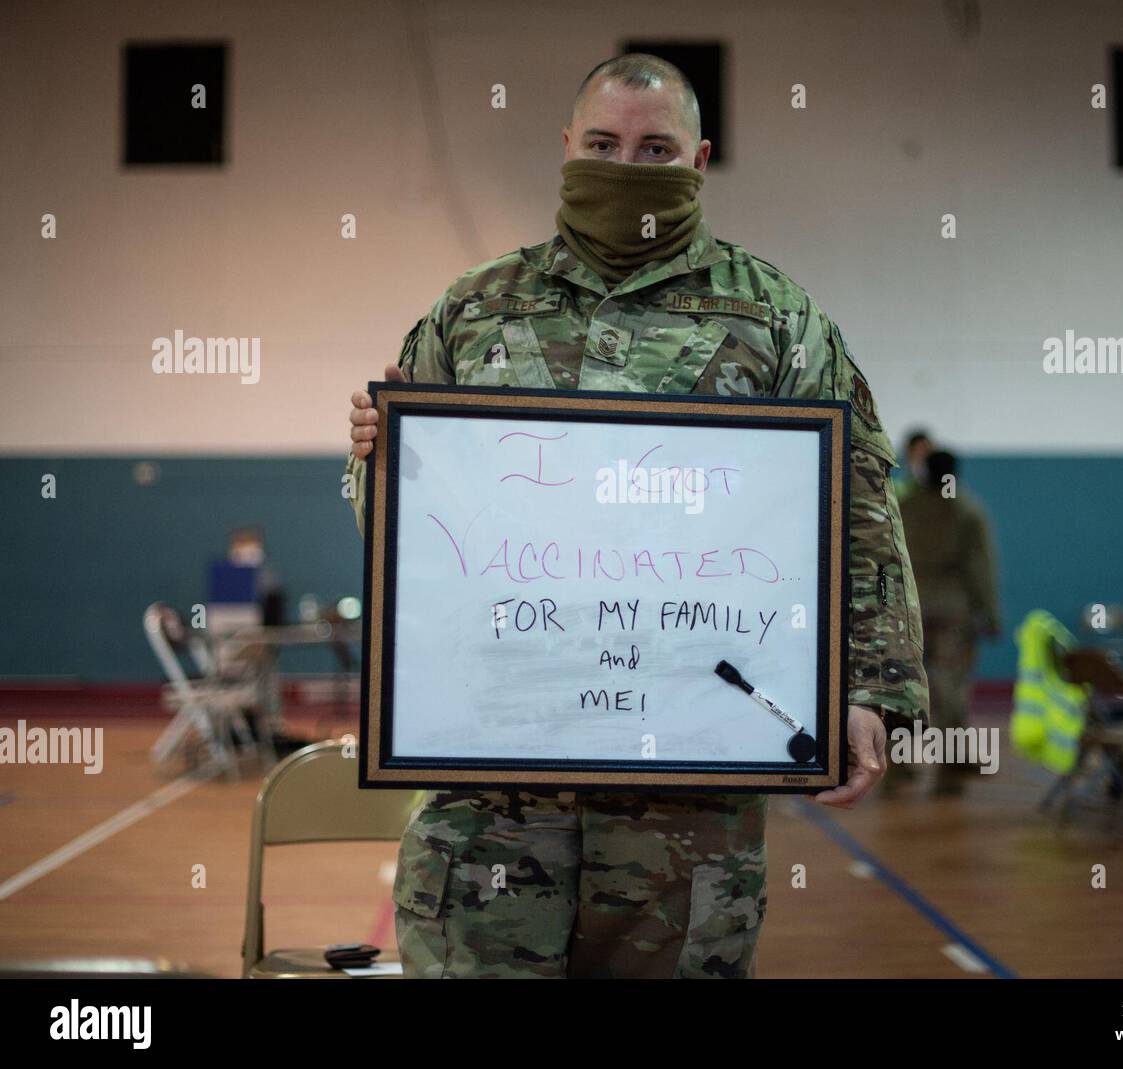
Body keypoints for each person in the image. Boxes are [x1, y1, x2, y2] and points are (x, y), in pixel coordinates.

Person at [345, 54, 928, 978]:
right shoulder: (472, 310)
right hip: (494, 781)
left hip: (690, 797)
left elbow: (857, 508)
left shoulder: (777, 318)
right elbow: (406, 532)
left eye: (655, 147)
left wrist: (871, 690)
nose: (629, 164)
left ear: (697, 159)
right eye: (606, 144)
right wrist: (378, 456)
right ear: (566, 149)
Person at [898, 449, 999, 796]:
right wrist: (990, 614)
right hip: (953, 612)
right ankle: (950, 766)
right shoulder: (966, 511)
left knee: (906, 688)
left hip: (909, 611)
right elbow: (980, 569)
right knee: (950, 688)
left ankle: (898, 767)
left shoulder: (906, 507)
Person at [895, 428, 932, 502]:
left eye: (928, 449)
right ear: (911, 449)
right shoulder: (896, 470)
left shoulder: (930, 471)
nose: (926, 452)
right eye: (921, 448)